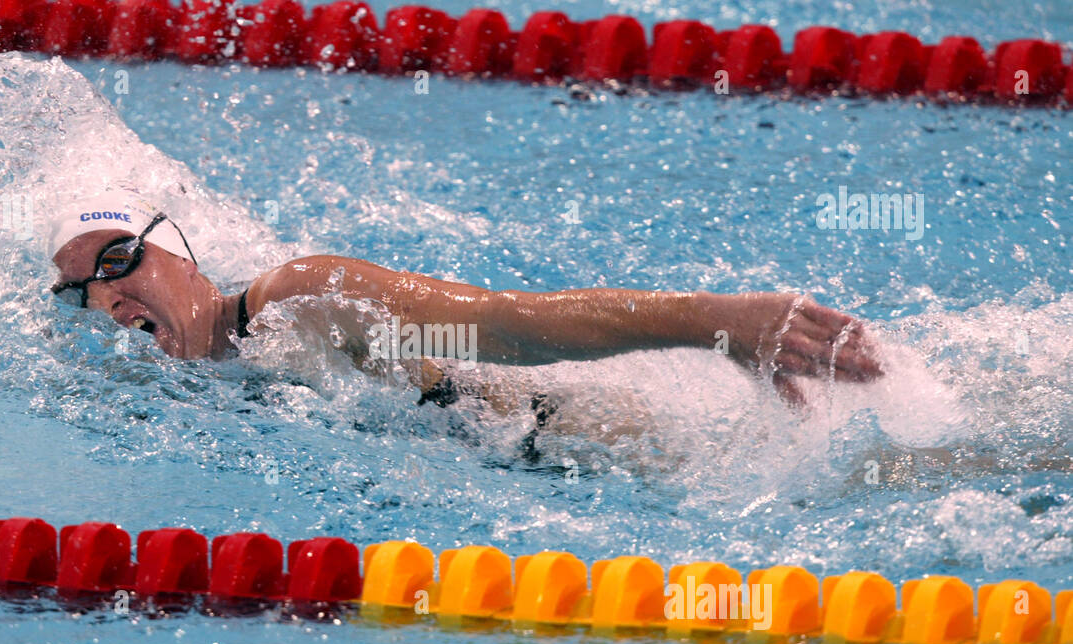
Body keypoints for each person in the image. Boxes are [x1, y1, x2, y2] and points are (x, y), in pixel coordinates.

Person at [46, 191, 883, 419]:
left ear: (179, 250)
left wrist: (712, 320)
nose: (108, 296)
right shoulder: (187, 386)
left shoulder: (300, 297)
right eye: (80, 291)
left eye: (119, 260)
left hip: (603, 444)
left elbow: (507, 324)